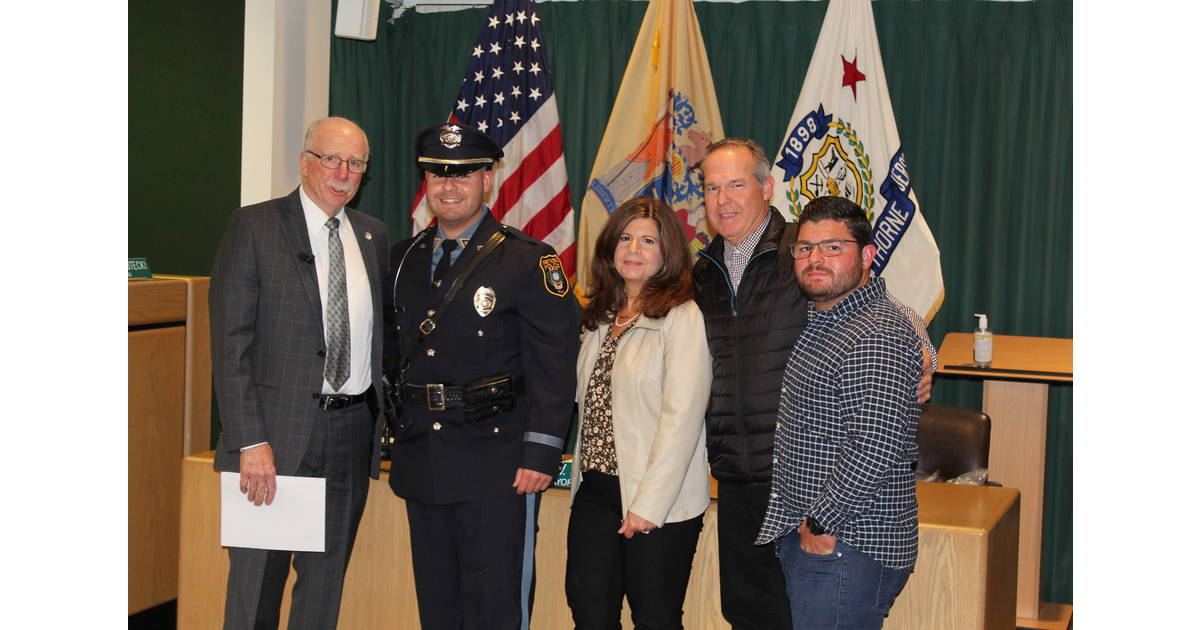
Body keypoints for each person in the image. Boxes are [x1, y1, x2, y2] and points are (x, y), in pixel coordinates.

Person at [692, 138, 934, 630]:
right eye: (712, 188)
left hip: (799, 481)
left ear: (767, 187)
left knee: (801, 614)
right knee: (747, 614)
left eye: (736, 185)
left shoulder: (801, 253)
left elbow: (884, 308)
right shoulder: (704, 270)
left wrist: (922, 350)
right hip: (736, 474)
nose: (723, 200)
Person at [384, 123, 577, 629]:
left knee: (495, 607)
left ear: (488, 180)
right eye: (439, 174)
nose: (450, 186)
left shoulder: (527, 260)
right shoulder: (404, 259)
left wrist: (541, 450)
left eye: (465, 174)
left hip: (499, 462)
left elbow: (554, 365)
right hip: (423, 456)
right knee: (438, 606)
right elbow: (391, 352)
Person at [209, 116, 389, 630]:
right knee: (255, 590)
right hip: (274, 440)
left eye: (355, 162)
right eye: (331, 158)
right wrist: (249, 442)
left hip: (350, 434)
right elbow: (230, 345)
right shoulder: (254, 226)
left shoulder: (373, 235)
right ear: (305, 161)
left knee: (324, 587)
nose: (342, 171)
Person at [756, 196, 923, 628]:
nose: (816, 259)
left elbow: (875, 447)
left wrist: (821, 521)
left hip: (846, 541)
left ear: (867, 254)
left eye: (833, 247)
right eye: (806, 248)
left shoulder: (875, 333)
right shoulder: (827, 319)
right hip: (831, 538)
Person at [566, 197, 713, 629]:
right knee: (589, 613)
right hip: (594, 493)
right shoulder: (600, 318)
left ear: (668, 252)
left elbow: (682, 420)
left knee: (655, 618)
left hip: (658, 502)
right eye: (626, 238)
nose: (634, 248)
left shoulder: (682, 318)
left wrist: (649, 504)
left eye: (648, 240)